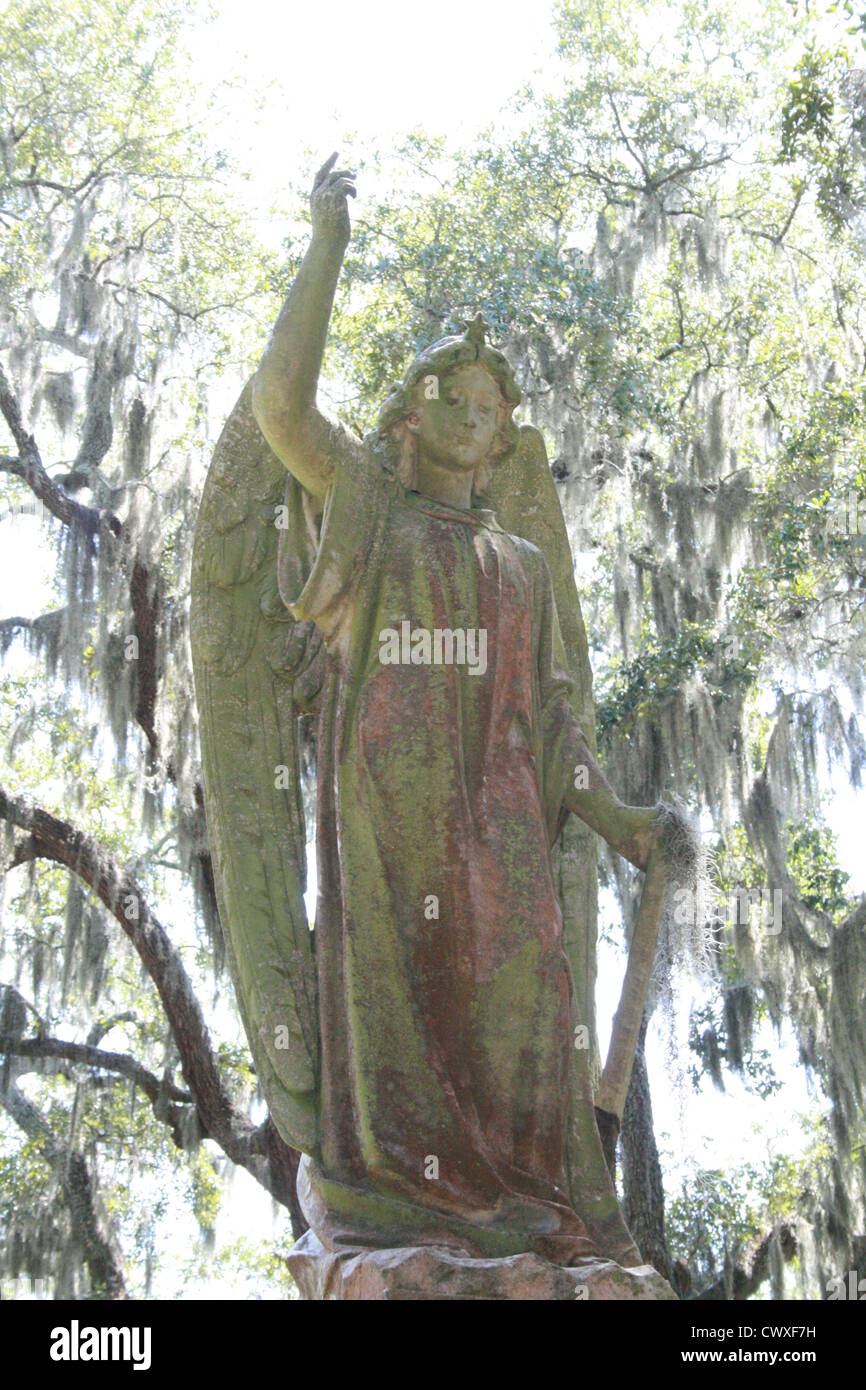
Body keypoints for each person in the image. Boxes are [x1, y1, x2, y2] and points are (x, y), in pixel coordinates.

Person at [251, 155, 657, 1264]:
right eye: (454, 399)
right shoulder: (371, 513)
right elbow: (279, 408)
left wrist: (617, 821)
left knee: (525, 998)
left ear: (503, 434)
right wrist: (326, 243)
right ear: (411, 416)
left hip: (506, 831)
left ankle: (526, 1212)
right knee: (398, 1013)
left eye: (492, 407)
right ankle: (399, 1206)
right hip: (391, 813)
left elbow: (558, 726)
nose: (475, 417)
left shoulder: (520, 563)